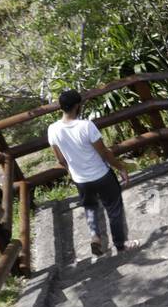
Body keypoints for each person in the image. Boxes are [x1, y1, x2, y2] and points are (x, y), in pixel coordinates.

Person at [47, 90, 139, 257]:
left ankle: (95, 237)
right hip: (102, 176)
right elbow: (104, 152)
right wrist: (121, 168)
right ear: (77, 106)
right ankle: (121, 245)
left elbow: (60, 160)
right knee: (114, 210)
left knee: (90, 206)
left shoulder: (52, 130)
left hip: (80, 180)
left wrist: (73, 172)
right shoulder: (86, 126)